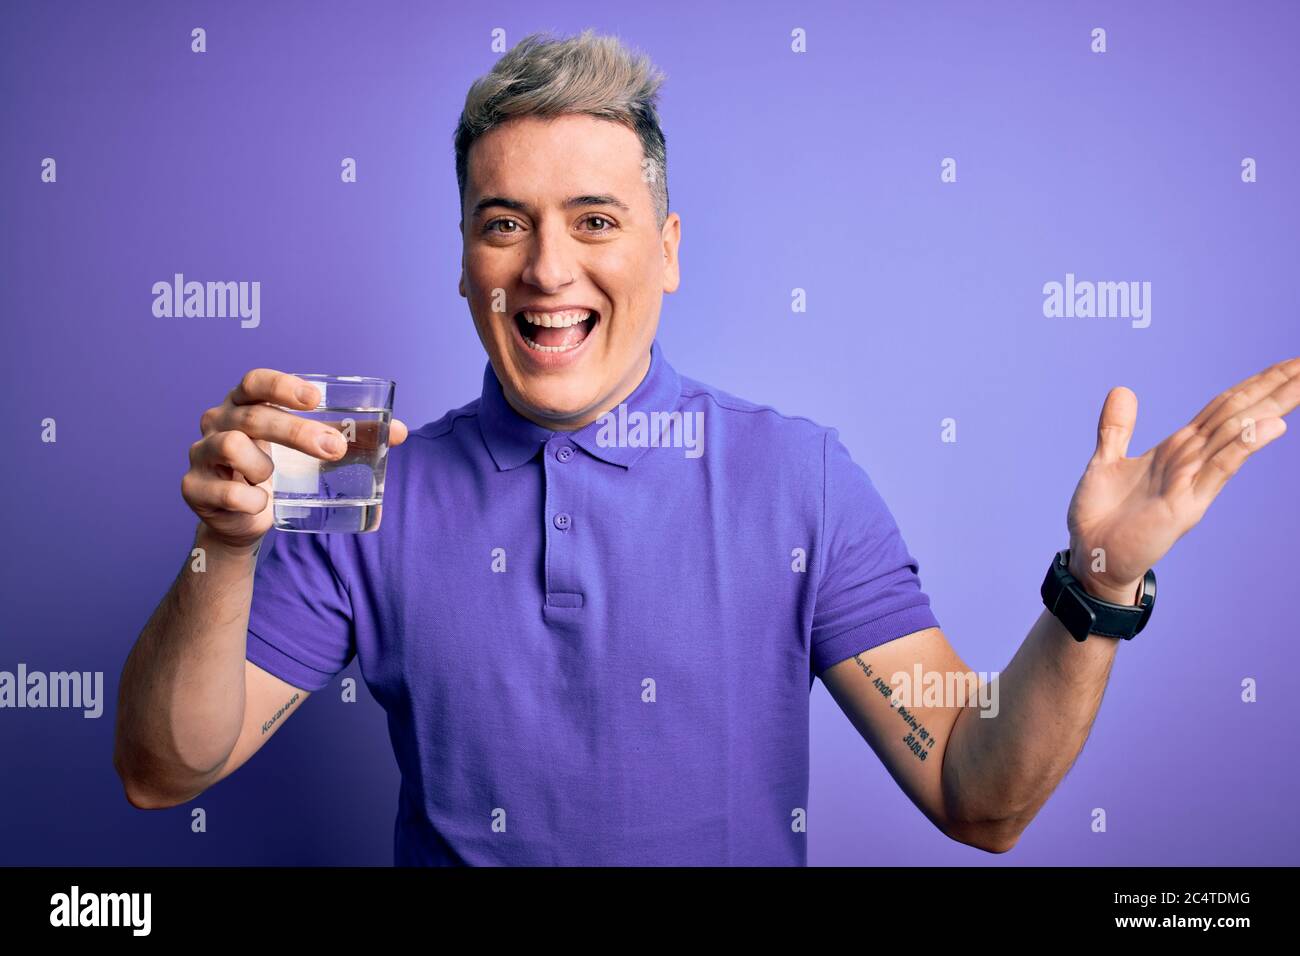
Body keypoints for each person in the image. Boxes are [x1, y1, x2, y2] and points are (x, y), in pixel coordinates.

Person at [114, 29, 1299, 865]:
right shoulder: (369, 493)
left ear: (667, 249)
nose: (545, 267)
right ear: (464, 261)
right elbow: (164, 769)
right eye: (503, 223)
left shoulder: (797, 480)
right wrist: (223, 548)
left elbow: (974, 790)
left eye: (594, 220)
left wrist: (1096, 586)